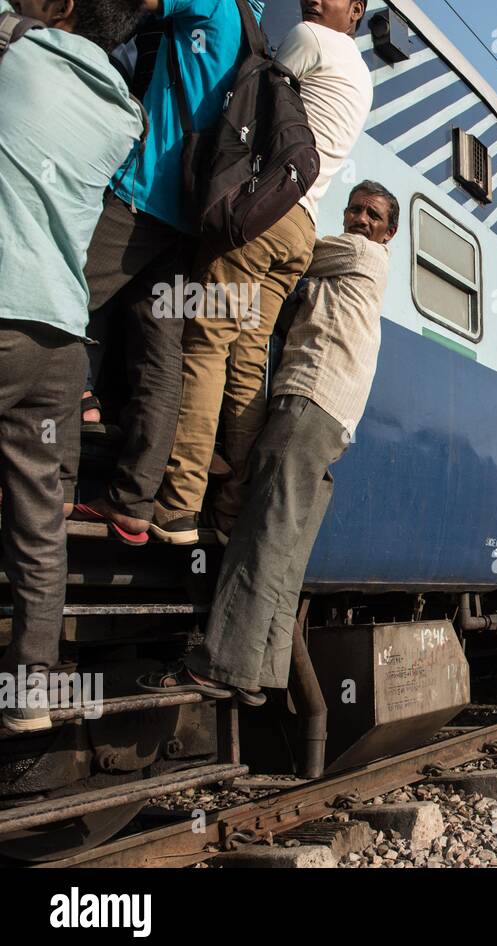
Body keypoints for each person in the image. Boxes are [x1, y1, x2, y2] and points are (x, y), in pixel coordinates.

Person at [138, 180, 397, 703]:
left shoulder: (357, 251)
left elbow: (292, 249)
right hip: (335, 415)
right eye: (354, 209)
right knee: (289, 548)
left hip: (310, 398)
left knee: (264, 530)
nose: (360, 219)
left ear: (387, 232)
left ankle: (220, 665)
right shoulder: (354, 267)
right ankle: (262, 670)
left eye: (373, 215)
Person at [153, 0, 373, 545]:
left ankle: (178, 506)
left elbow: (254, 101)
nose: (314, 0)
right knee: (249, 363)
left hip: (260, 219)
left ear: (356, 9)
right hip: (299, 227)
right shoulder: (363, 77)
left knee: (205, 345)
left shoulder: (309, 38)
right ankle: (230, 510)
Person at [66, 0, 264, 546]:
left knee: (58, 305)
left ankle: (51, 474)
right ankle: (133, 500)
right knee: (160, 353)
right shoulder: (251, 24)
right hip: (188, 217)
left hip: (143, 196)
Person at [0, 0, 147, 731]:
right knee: (39, 522)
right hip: (60, 339)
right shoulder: (124, 118)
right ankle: (30, 687)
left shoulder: (16, 53)